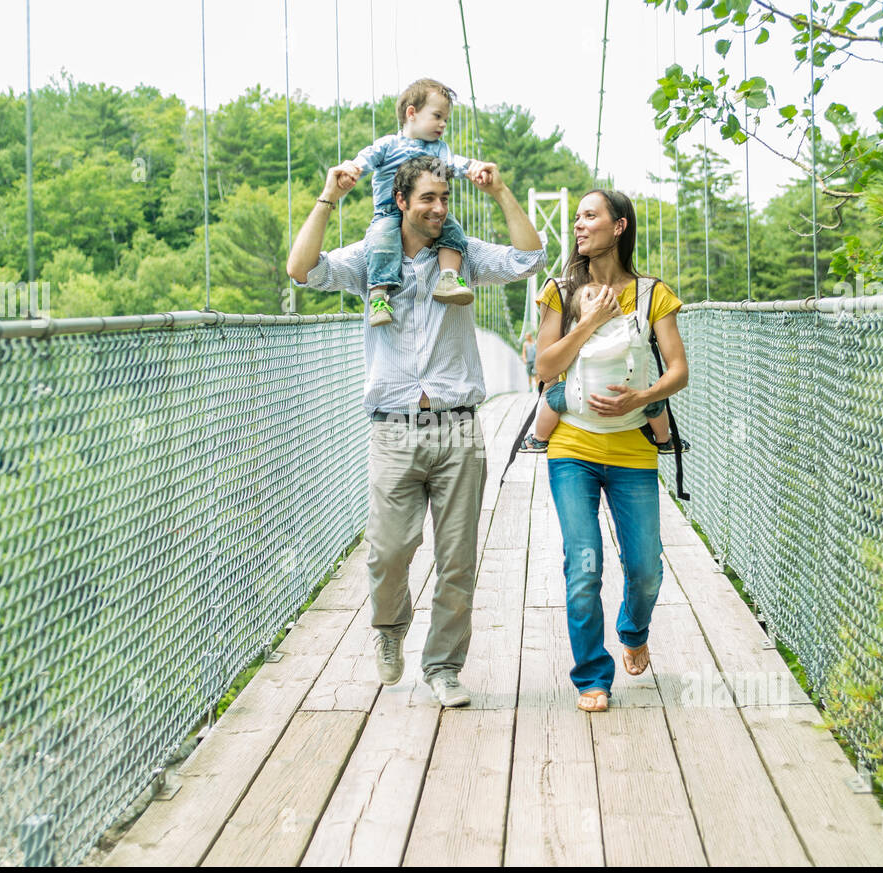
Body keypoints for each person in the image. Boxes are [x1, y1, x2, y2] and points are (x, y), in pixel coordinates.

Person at [287, 154, 546, 707]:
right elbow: (302, 271)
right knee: (388, 550)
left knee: (457, 560)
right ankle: (389, 630)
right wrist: (327, 197)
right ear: (400, 201)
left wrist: (500, 192)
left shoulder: (464, 257)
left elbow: (528, 257)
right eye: (427, 198)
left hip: (457, 428)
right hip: (392, 429)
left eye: (445, 199)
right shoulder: (371, 258)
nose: (438, 209)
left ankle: (444, 667)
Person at [533, 188, 689, 713]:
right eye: (575, 216)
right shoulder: (559, 290)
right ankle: (592, 677)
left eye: (590, 216)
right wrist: (590, 322)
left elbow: (678, 370)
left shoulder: (652, 294)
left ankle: (634, 627)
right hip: (572, 446)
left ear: (619, 226)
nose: (579, 225)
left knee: (645, 568)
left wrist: (645, 396)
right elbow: (544, 368)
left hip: (632, 451)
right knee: (584, 565)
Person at [331, 78, 494, 327]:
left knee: (453, 231)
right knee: (380, 242)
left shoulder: (439, 151)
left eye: (446, 120)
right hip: (389, 213)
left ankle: (448, 277)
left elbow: (450, 168)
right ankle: (378, 298)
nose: (443, 124)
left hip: (427, 216)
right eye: (437, 116)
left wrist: (472, 169)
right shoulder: (388, 145)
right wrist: (353, 169)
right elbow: (366, 159)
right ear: (412, 113)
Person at [518, 281, 680, 453]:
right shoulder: (630, 323)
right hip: (626, 394)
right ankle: (664, 440)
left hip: (584, 397)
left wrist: (582, 324)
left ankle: (539, 438)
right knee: (653, 399)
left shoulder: (578, 330)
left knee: (553, 397)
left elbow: (546, 372)